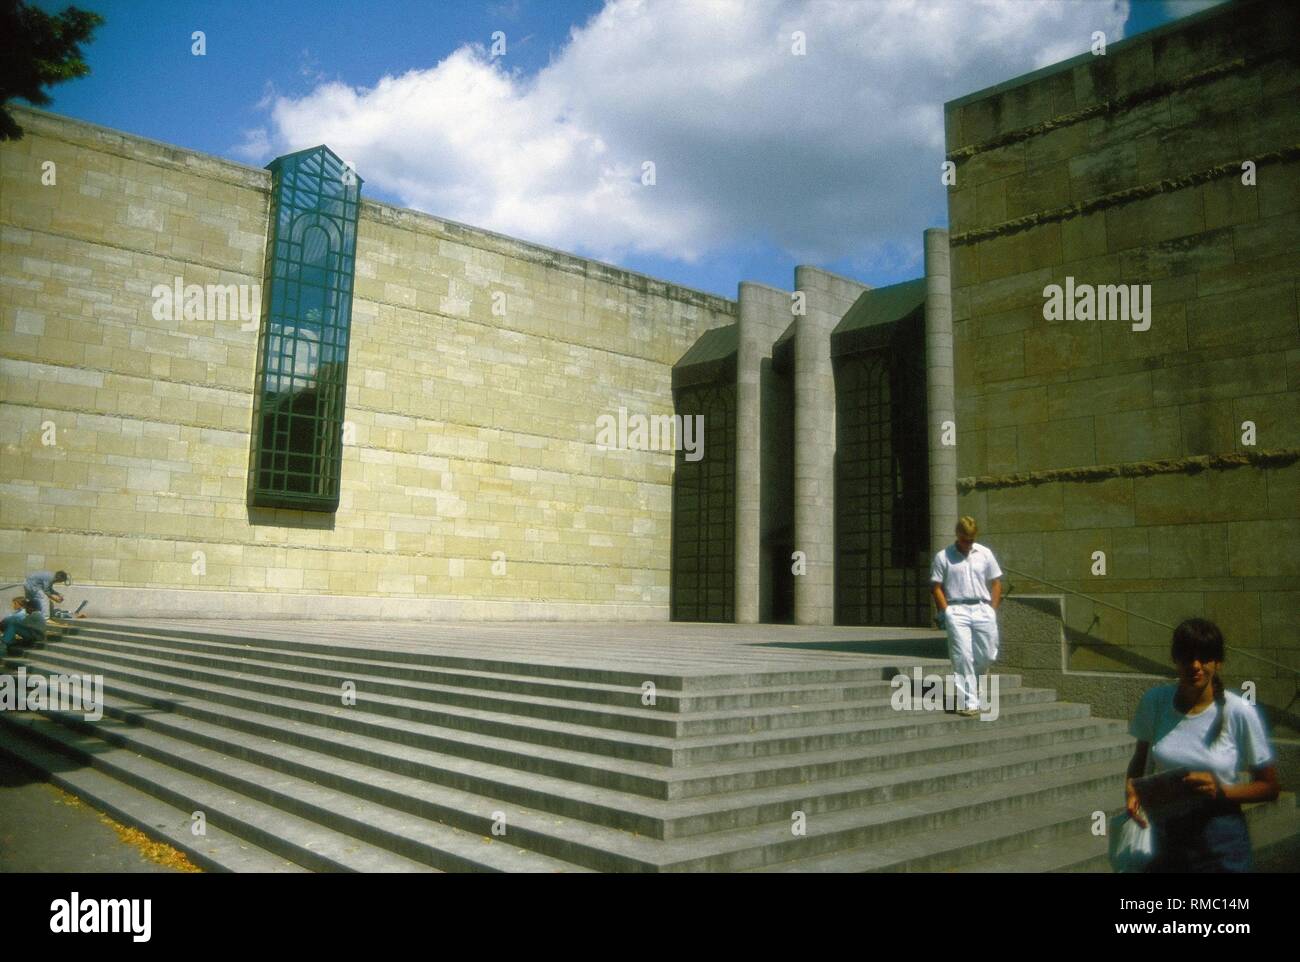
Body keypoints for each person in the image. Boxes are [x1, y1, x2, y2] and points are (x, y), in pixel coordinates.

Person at [1125, 618, 1279, 872]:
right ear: (1175, 659)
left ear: (1218, 662)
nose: (1195, 666)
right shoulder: (1155, 702)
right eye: (1186, 656)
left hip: (1220, 840)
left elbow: (1270, 787)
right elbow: (1139, 760)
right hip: (1166, 837)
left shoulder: (1238, 711)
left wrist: (1220, 790)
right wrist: (1132, 791)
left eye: (1205, 657)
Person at [930, 516, 1002, 717]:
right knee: (962, 656)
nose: (968, 544)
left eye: (971, 539)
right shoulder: (943, 557)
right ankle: (968, 701)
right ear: (957, 535)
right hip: (957, 609)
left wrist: (992, 609)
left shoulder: (984, 553)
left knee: (987, 654)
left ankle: (974, 687)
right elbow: (935, 586)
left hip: (982, 608)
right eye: (965, 539)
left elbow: (996, 582)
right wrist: (947, 612)